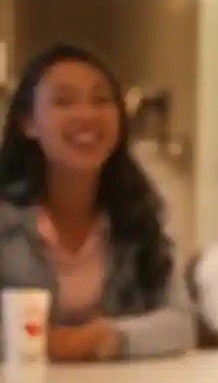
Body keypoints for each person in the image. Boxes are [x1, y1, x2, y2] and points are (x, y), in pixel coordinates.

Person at [0, 44, 195, 362]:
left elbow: (180, 323)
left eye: (102, 100)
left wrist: (108, 337)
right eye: (64, 101)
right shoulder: (7, 217)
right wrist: (38, 342)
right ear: (28, 122)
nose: (86, 115)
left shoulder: (137, 211)